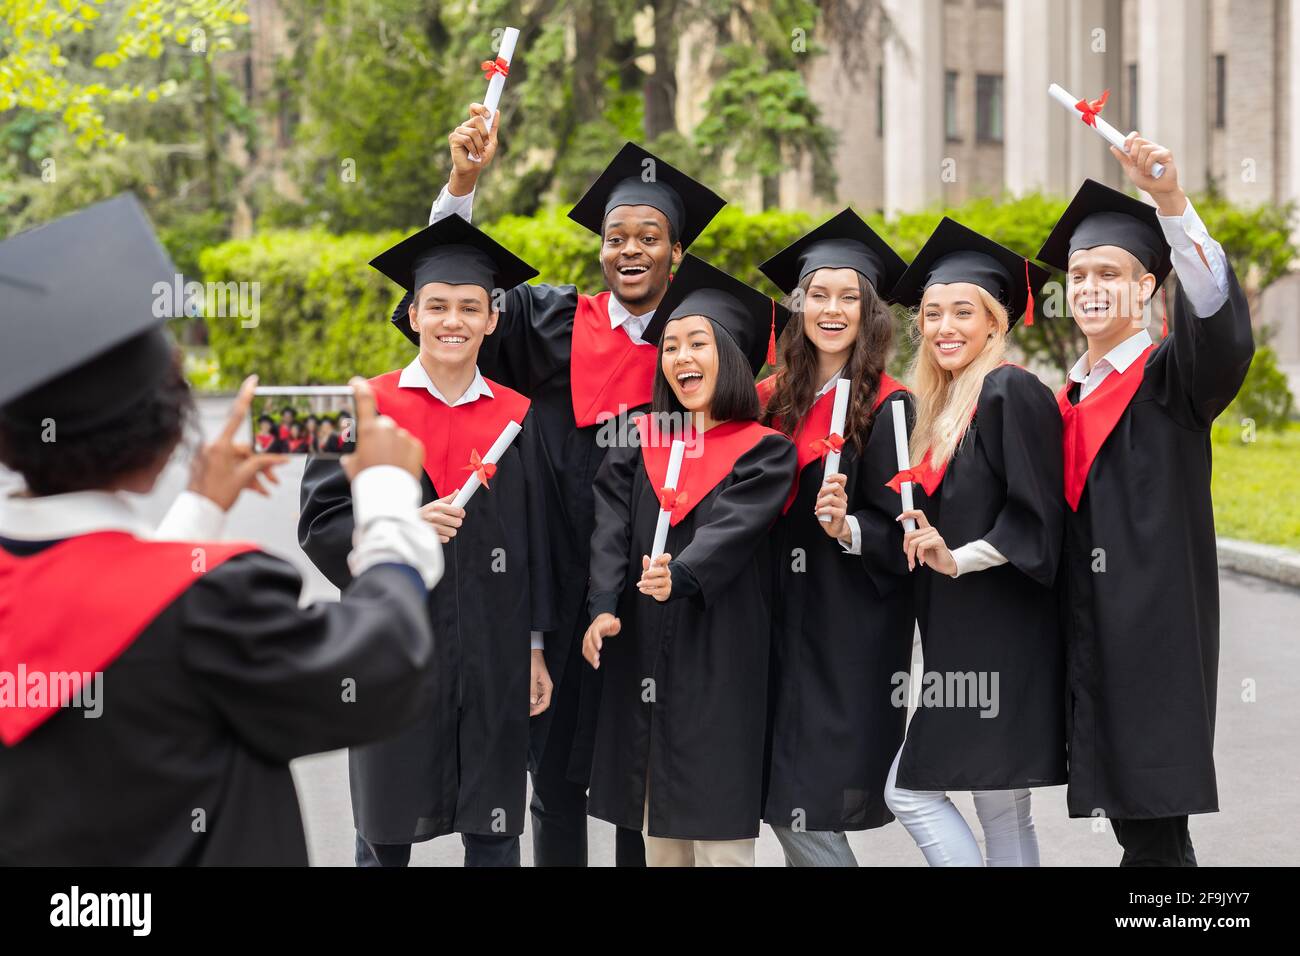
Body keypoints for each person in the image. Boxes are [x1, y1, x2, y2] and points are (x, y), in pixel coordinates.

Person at [0, 194, 444, 865]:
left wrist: (201, 507)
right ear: (170, 427)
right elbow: (380, 665)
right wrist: (386, 494)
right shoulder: (212, 604)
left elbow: (108, 603)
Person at [408, 104, 726, 866]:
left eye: (649, 238)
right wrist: (462, 184)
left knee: (639, 779)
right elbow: (451, 299)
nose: (630, 251)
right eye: (616, 238)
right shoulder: (550, 319)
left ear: (676, 253)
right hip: (550, 584)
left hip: (652, 588)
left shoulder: (701, 342)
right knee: (552, 776)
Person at [300, 214, 556, 868]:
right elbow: (320, 523)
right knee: (383, 833)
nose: (453, 320)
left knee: (495, 833)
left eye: (470, 307)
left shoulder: (519, 419)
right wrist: (407, 527)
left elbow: (537, 543)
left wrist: (533, 647)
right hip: (394, 647)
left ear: (492, 319)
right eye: (437, 305)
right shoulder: (360, 407)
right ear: (411, 314)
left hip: (494, 655)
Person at [1035, 136, 1252, 867]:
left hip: (1154, 647)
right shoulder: (1064, 398)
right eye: (1081, 272)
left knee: (1153, 831)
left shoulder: (1172, 381)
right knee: (1147, 831)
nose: (1092, 285)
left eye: (1112, 273)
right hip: (1088, 642)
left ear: (1147, 290)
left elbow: (1218, 321)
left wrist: (1170, 203)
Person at [582, 255, 798, 867]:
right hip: (641, 644)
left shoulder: (766, 451)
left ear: (730, 356)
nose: (681, 358)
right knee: (660, 835)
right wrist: (601, 607)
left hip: (722, 649)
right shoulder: (638, 437)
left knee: (719, 838)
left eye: (698, 343)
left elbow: (733, 528)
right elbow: (609, 529)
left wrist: (681, 573)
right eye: (670, 346)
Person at [881, 218, 1065, 867]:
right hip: (963, 632)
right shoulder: (942, 408)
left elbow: (1036, 515)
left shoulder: (1008, 389)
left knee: (908, 792)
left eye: (964, 311)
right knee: (1001, 807)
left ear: (995, 321)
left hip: (1002, 635)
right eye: (932, 314)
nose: (944, 326)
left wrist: (957, 558)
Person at [754, 210, 916, 866]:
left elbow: (900, 537)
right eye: (818, 294)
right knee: (780, 796)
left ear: (869, 311)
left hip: (844, 634)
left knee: (806, 801)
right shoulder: (771, 400)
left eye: (849, 297)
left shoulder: (889, 406)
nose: (832, 309)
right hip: (769, 627)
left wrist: (846, 525)